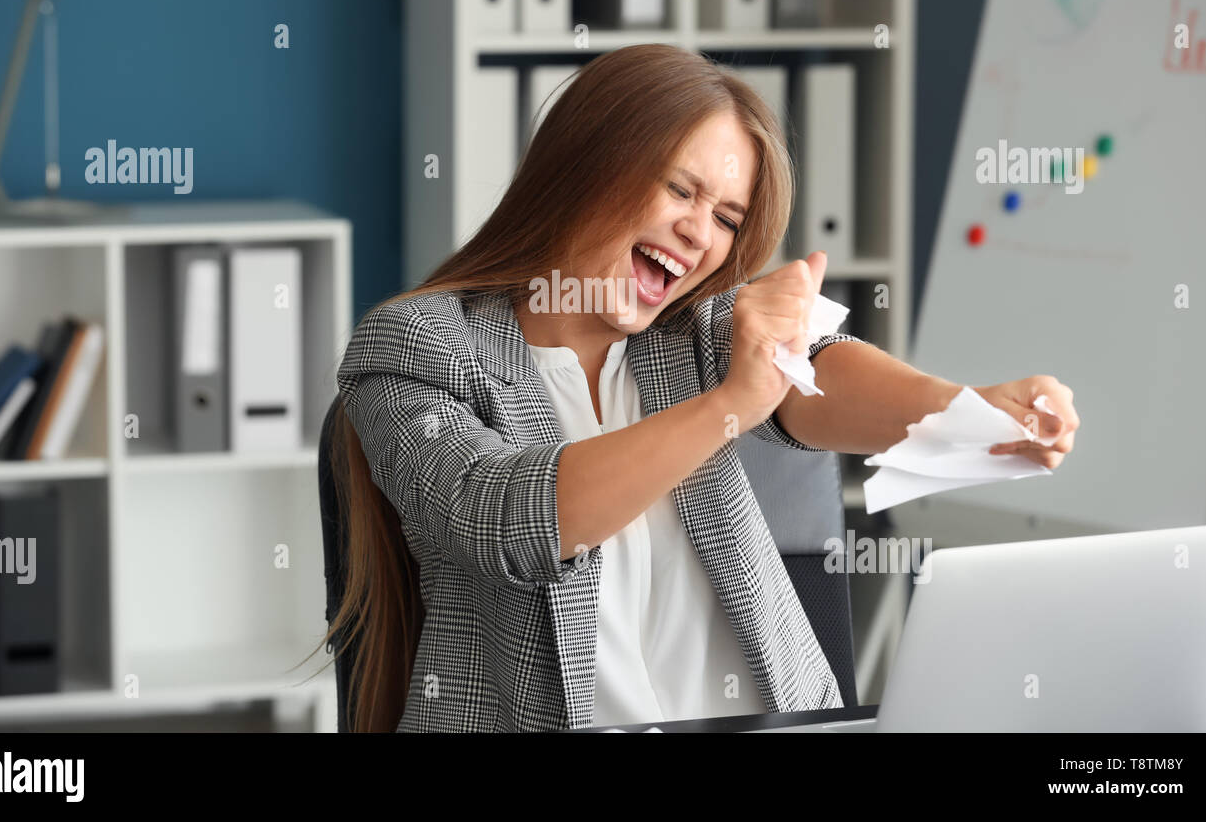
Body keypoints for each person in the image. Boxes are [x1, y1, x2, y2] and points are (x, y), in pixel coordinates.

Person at [323, 43, 1079, 732]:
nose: (699, 234)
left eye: (725, 217)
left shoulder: (689, 330)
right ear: (583, 167)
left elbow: (816, 365)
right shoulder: (418, 346)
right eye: (680, 190)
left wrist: (970, 410)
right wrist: (726, 409)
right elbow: (506, 520)